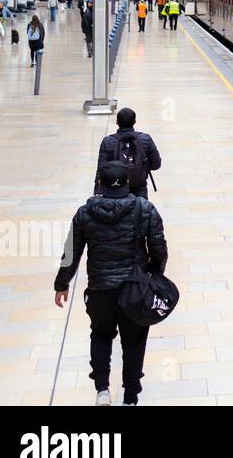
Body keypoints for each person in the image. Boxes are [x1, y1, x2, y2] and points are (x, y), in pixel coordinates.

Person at [54, 161, 168, 407]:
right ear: (128, 182)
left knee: (101, 335)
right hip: (134, 290)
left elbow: (71, 253)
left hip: (100, 290)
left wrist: (62, 284)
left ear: (99, 184)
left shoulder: (84, 213)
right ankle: (130, 398)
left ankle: (103, 390)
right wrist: (156, 277)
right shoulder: (144, 209)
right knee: (134, 343)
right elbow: (159, 247)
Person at [94, 108, 162, 200]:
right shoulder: (145, 139)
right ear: (135, 121)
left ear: (117, 122)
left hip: (115, 188)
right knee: (140, 212)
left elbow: (101, 169)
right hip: (139, 187)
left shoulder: (108, 142)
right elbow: (156, 164)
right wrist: (141, 166)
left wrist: (97, 192)